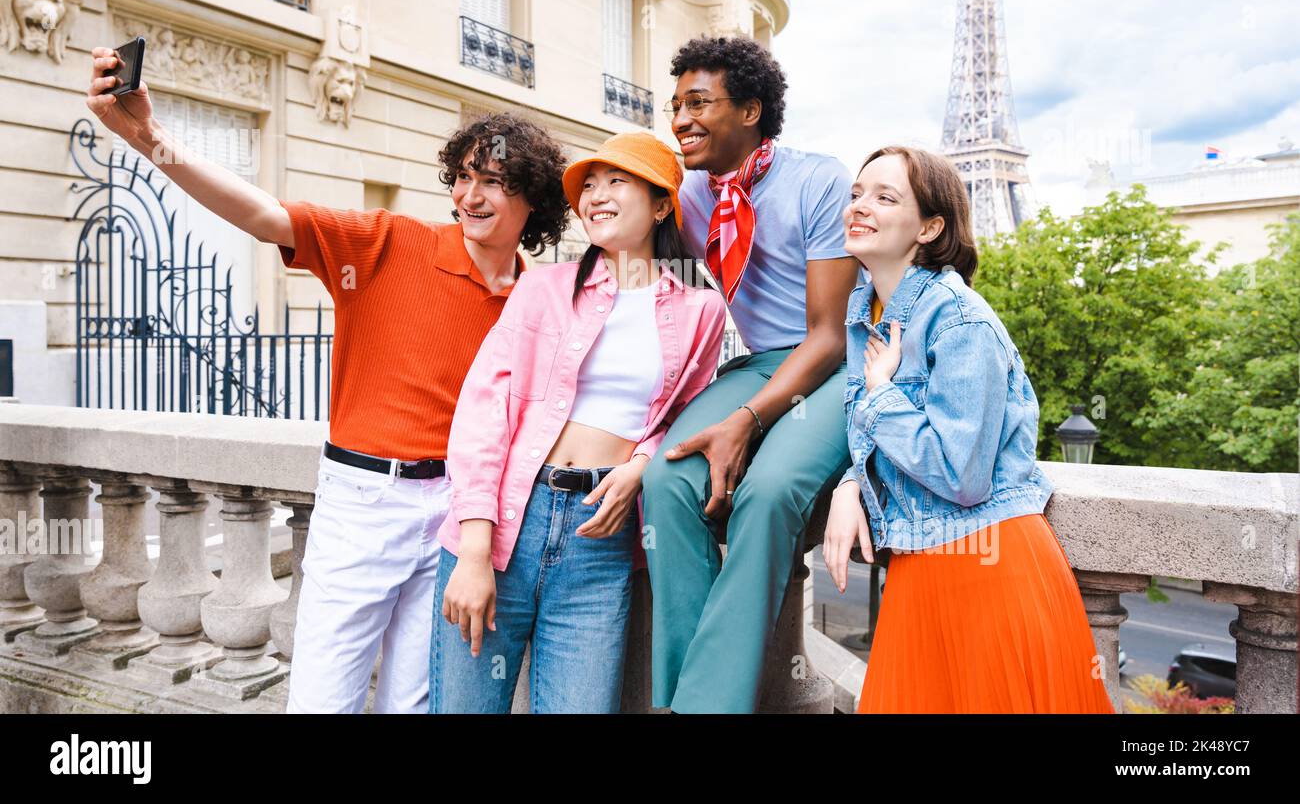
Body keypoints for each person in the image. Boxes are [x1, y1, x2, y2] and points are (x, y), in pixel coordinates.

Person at [85, 47, 570, 713]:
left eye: (492, 181)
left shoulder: (538, 299)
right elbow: (262, 215)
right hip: (363, 498)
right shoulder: (389, 241)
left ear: (533, 199)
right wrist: (149, 138)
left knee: (415, 703)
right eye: (462, 176)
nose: (469, 195)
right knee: (322, 699)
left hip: (458, 516)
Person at [431, 132, 727, 714]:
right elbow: (485, 409)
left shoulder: (701, 308)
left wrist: (641, 464)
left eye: (616, 181)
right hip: (507, 526)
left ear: (663, 203)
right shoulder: (544, 287)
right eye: (587, 186)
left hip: (601, 540)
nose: (595, 196)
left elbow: (690, 414)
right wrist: (473, 550)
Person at [822, 145, 1115, 713]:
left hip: (988, 572)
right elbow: (886, 447)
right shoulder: (868, 312)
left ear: (930, 227)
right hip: (920, 566)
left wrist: (881, 398)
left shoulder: (960, 319)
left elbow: (962, 475)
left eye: (885, 197)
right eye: (857, 193)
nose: (860, 206)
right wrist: (851, 483)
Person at [640, 36, 859, 713]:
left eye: (699, 103)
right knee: (666, 478)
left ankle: (699, 707)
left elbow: (827, 335)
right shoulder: (689, 196)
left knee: (766, 494)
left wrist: (746, 420)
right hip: (760, 360)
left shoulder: (819, 180)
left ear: (751, 111)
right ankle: (687, 690)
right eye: (675, 105)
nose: (680, 119)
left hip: (834, 361)